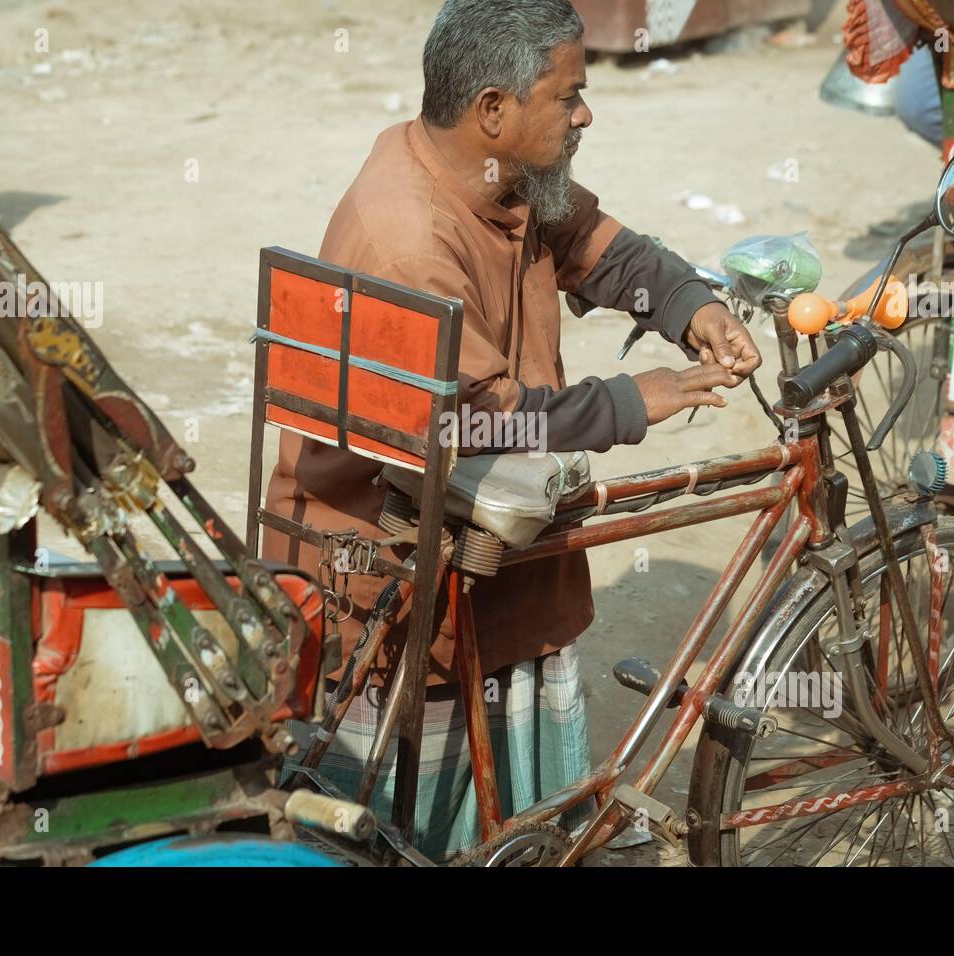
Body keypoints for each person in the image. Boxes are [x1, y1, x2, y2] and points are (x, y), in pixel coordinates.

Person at [263, 0, 761, 860]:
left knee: (518, 799)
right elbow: (474, 421)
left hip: (487, 527)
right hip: (398, 548)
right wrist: (636, 399)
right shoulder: (409, 237)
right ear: (494, 109)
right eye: (568, 96)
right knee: (414, 827)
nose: (584, 115)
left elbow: (602, 246)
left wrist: (688, 304)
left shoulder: (495, 171)